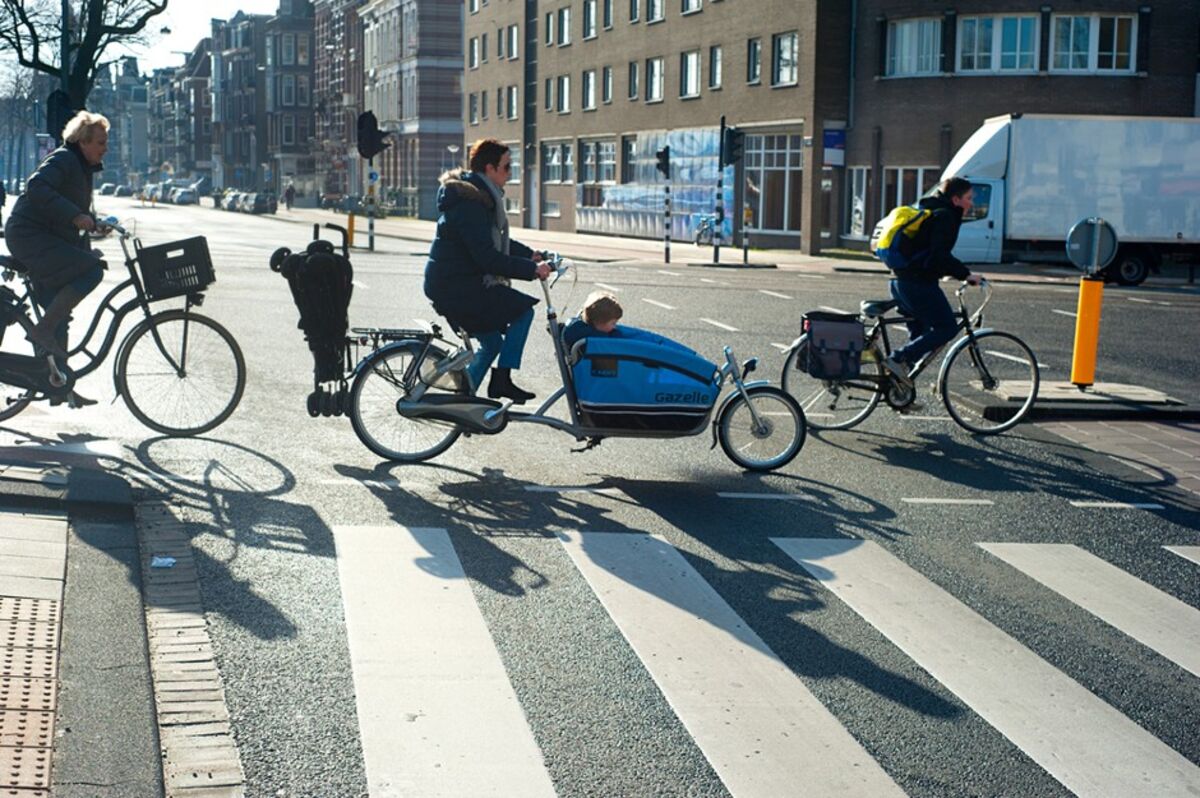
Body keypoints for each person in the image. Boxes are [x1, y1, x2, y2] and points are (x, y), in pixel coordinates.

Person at [424, 138, 551, 403]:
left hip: (456, 283)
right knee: (523, 312)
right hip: (457, 287)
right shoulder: (471, 204)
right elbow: (488, 258)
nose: (510, 173)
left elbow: (491, 239)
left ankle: (462, 403)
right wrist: (532, 270)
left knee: (492, 343)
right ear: (490, 168)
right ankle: (502, 380)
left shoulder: (478, 196)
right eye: (506, 167)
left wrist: (529, 254)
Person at [3, 111, 111, 407]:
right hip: (29, 236)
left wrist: (91, 225)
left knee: (59, 311)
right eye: (100, 142)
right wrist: (76, 216)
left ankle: (59, 385)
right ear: (83, 142)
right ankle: (42, 331)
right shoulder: (64, 159)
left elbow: (70, 216)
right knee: (92, 272)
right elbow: (36, 187)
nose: (105, 148)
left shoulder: (81, 167)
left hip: (42, 238)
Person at [883, 176, 982, 385]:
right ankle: (897, 358)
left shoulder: (931, 210)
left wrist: (945, 270)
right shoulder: (945, 216)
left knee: (920, 335)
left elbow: (928, 252)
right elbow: (939, 255)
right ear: (956, 200)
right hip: (917, 284)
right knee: (947, 328)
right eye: (969, 198)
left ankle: (897, 388)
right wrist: (966, 274)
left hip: (900, 281)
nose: (971, 203)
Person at [562, 290, 693, 354]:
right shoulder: (597, 339)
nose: (615, 327)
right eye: (612, 323)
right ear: (599, 322)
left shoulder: (589, 332)